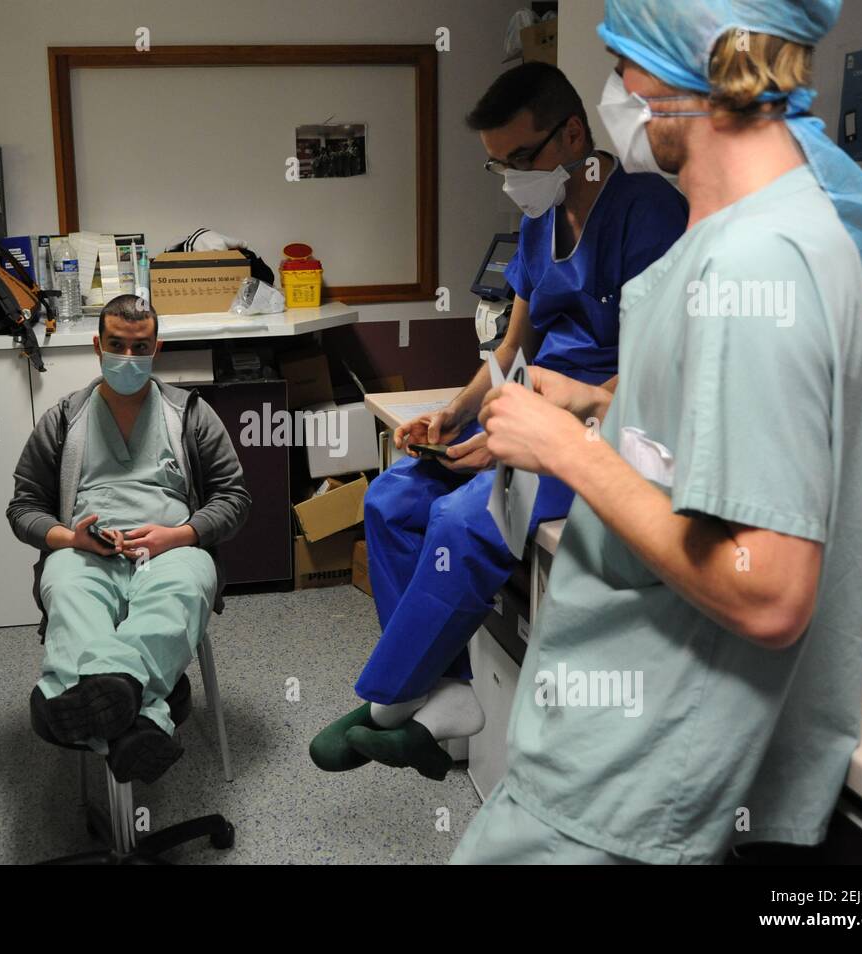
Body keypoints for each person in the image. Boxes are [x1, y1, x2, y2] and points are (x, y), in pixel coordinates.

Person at [460, 0, 862, 864]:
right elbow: (699, 441)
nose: (618, 91)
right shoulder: (743, 240)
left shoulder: (757, 264)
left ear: (676, 72)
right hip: (605, 755)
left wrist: (567, 453)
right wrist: (600, 409)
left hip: (627, 778)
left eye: (623, 63)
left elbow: (768, 587)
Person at [309, 62, 687, 780]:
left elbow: (654, 372)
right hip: (527, 410)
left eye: (521, 158)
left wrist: (532, 425)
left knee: (459, 521)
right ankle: (444, 691)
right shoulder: (539, 219)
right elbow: (513, 350)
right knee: (389, 499)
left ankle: (390, 703)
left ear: (573, 133)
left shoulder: (649, 216)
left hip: (601, 432)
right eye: (499, 166)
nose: (514, 178)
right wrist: (452, 415)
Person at [7, 294, 250, 783]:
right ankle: (145, 717)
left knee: (177, 593)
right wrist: (67, 538)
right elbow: (22, 507)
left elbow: (234, 498)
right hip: (86, 551)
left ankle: (62, 696)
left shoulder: (191, 415)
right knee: (69, 591)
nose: (128, 357)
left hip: (173, 549)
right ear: (98, 346)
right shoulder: (63, 419)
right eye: (117, 345)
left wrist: (180, 534)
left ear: (156, 347)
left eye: (140, 347)